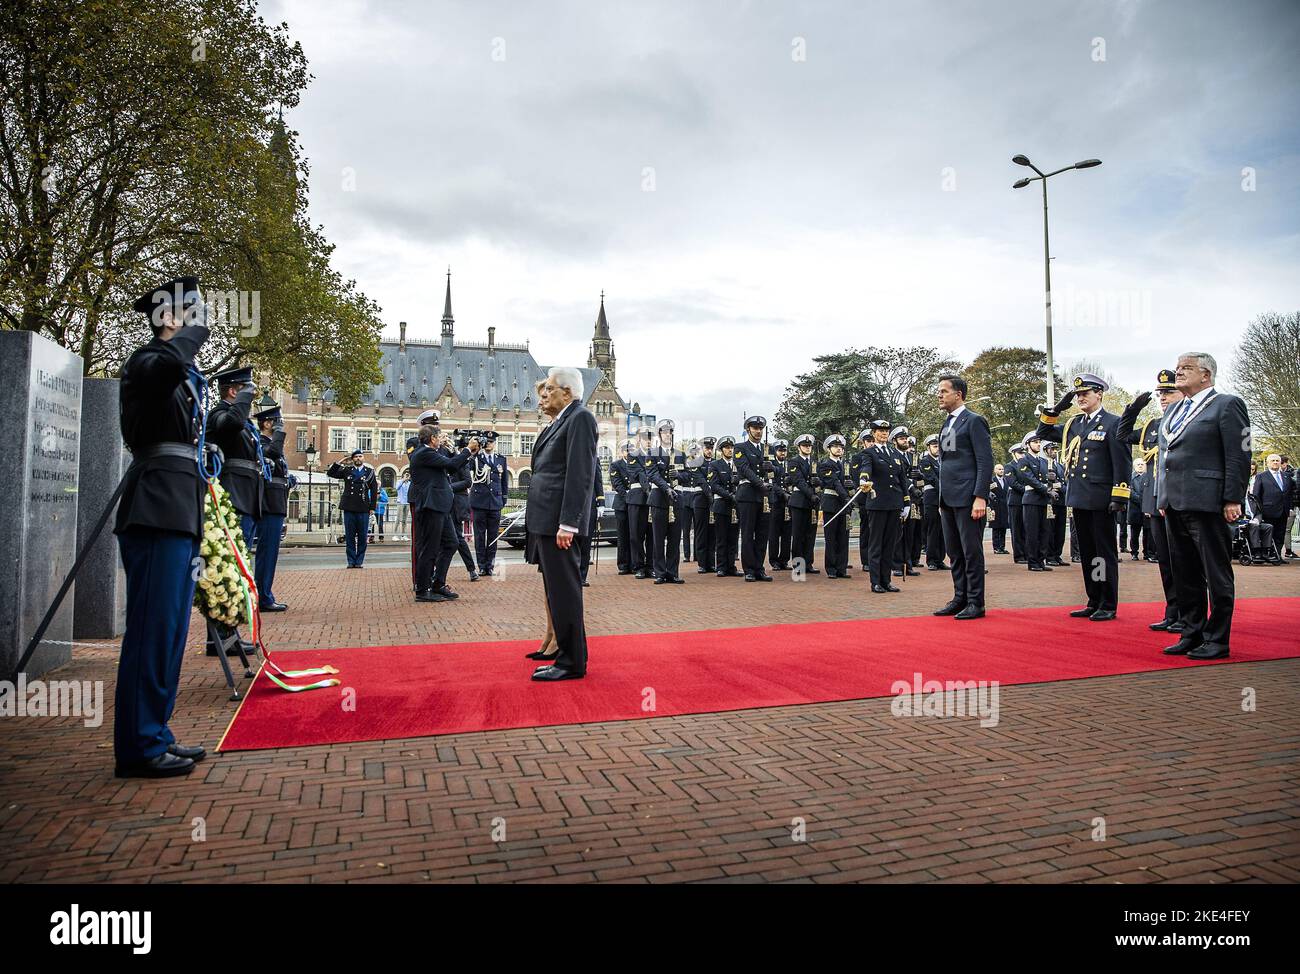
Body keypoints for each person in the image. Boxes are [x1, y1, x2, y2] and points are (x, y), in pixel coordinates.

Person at [113, 276, 211, 778]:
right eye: (187, 314)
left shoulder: (178, 373)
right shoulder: (147, 360)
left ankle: (157, 731)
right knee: (151, 632)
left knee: (170, 631)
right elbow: (170, 365)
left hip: (177, 508)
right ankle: (139, 746)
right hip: (154, 509)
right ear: (166, 318)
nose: (197, 324)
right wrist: (192, 330)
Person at [1157, 352, 1252, 660]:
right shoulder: (1175, 410)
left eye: (1186, 368)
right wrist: (1162, 498)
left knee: (1216, 573)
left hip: (1209, 501)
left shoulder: (1226, 405)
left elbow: (1239, 455)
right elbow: (1165, 458)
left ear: (1206, 375)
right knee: (1185, 572)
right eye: (1178, 368)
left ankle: (1217, 638)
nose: (1179, 373)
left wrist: (1233, 498)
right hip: (1175, 502)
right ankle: (1191, 631)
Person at [1037, 373, 1131, 622]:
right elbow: (1044, 431)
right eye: (1077, 395)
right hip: (1079, 496)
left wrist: (1120, 495)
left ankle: (1108, 602)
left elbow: (1122, 463)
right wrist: (1056, 409)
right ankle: (1093, 599)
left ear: (1099, 394)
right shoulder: (1074, 425)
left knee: (1103, 553)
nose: (1080, 398)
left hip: (1102, 498)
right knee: (1088, 552)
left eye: (1085, 394)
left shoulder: (1114, 423)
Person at [526, 367, 598, 682]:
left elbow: (580, 474)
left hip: (559, 522)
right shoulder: (562, 420)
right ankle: (565, 655)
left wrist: (569, 523)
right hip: (545, 519)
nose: (545, 394)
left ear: (566, 392)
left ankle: (571, 662)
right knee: (556, 591)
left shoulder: (580, 418)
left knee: (565, 592)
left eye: (551, 388)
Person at [1117, 369, 1185, 632]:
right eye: (1160, 394)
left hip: (1177, 500)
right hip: (1154, 501)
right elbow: (1122, 435)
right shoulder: (1153, 425)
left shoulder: (1189, 421)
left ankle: (1188, 615)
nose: (1163, 398)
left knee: (1184, 561)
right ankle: (1172, 612)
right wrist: (1133, 409)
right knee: (1166, 562)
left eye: (1169, 392)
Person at [933, 373, 993, 620]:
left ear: (958, 394)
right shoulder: (947, 423)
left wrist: (980, 496)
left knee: (971, 552)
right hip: (947, 499)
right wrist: (940, 498)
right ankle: (960, 597)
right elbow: (947, 463)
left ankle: (975, 602)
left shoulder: (974, 421)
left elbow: (984, 460)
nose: (939, 395)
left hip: (968, 498)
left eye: (943, 391)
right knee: (955, 552)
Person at [410, 425, 475, 602]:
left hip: (441, 506)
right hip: (431, 507)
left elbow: (453, 467)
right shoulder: (423, 453)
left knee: (451, 543)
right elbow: (452, 464)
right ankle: (423, 590)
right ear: (432, 438)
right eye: (439, 437)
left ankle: (438, 583)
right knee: (429, 548)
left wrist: (459, 450)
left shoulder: (432, 453)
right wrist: (468, 449)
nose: (441, 440)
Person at [206, 366, 266, 550]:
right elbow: (232, 423)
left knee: (243, 553)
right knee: (234, 552)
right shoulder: (219, 414)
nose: (251, 399)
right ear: (233, 391)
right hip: (234, 497)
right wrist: (245, 397)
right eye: (246, 392)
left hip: (248, 497)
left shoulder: (245, 423)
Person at [859, 419, 906, 593]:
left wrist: (906, 502)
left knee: (889, 544)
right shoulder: (869, 453)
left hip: (894, 503)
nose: (884, 433)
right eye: (880, 430)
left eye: (886, 430)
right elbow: (866, 469)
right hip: (877, 503)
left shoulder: (895, 453)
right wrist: (864, 479)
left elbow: (902, 479)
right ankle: (876, 581)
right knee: (876, 544)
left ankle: (887, 580)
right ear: (874, 433)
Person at [253, 402, 289, 612]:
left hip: (275, 503)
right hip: (268, 504)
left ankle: (265, 593)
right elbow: (273, 452)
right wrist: (279, 433)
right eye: (277, 423)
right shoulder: (260, 442)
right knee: (266, 554)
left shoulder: (268, 442)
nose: (280, 427)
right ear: (267, 423)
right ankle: (263, 597)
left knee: (270, 553)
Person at [646, 418, 686, 584]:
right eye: (664, 431)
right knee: (658, 539)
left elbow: (688, 475)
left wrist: (679, 476)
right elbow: (652, 474)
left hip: (676, 500)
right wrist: (666, 488)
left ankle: (672, 572)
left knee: (675, 539)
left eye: (670, 431)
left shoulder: (680, 454)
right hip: (660, 500)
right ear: (659, 434)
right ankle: (660, 572)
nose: (667, 434)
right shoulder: (653, 453)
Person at [734, 416, 774, 581]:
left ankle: (759, 568)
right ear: (748, 430)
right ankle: (749, 569)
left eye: (760, 429)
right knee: (748, 533)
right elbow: (744, 468)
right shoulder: (740, 447)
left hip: (763, 496)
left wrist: (771, 469)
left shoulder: (767, 450)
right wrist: (760, 483)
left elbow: (776, 470)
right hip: (748, 494)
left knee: (763, 534)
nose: (758, 431)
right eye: (755, 428)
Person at [327, 449, 379, 568]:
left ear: (363, 458)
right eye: (355, 457)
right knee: (350, 536)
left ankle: (359, 561)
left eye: (360, 456)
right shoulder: (347, 470)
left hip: (363, 507)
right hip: (349, 507)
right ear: (353, 459)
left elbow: (374, 490)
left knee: (362, 536)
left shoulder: (369, 472)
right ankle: (351, 561)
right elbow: (331, 473)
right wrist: (341, 461)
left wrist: (372, 507)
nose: (358, 458)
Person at [1015, 431, 1054, 572]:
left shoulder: (1043, 461)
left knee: (1044, 531)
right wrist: (1046, 489)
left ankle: (1041, 560)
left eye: (1039, 442)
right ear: (1028, 445)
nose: (1038, 444)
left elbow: (1047, 479)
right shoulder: (1023, 461)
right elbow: (1029, 478)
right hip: (1031, 499)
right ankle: (1032, 561)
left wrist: (1051, 484)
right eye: (1035, 442)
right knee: (1032, 532)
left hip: (1043, 500)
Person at [470, 430, 507, 576]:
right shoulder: (475, 458)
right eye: (487, 441)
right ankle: (481, 565)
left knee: (493, 536)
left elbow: (504, 482)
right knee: (479, 536)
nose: (489, 444)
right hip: (479, 503)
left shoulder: (501, 459)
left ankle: (490, 564)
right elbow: (467, 470)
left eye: (491, 442)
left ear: (495, 443)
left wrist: (503, 500)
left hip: (495, 503)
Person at [818, 434, 853, 579]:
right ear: (829, 449)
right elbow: (834, 482)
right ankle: (831, 568)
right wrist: (845, 496)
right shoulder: (826, 464)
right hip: (832, 503)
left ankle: (841, 568)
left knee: (843, 537)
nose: (839, 449)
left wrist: (852, 489)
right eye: (835, 447)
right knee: (831, 538)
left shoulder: (846, 465)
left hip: (845, 504)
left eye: (841, 447)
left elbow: (850, 481)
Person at [788, 434, 820, 574]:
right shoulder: (794, 462)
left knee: (810, 534)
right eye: (805, 446)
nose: (807, 448)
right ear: (799, 447)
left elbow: (820, 479)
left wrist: (818, 487)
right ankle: (798, 566)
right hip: (800, 501)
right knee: (798, 534)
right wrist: (811, 494)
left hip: (812, 502)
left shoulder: (814, 462)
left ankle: (808, 563)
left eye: (809, 446)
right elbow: (799, 481)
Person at [1250, 454, 1292, 563]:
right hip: (1268, 511)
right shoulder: (1261, 476)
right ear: (1268, 463)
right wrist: (1257, 512)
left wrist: (1290, 507)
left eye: (1277, 460)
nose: (1275, 462)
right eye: (1273, 460)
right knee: (1270, 534)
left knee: (1280, 534)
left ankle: (1278, 555)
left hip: (1283, 511)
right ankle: (1268, 555)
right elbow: (1256, 495)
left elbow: (1289, 494)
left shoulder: (1286, 476)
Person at [709, 436, 741, 576]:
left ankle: (731, 566)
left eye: (731, 447)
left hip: (735, 506)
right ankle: (721, 566)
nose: (730, 450)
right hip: (722, 505)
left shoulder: (738, 464)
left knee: (733, 538)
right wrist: (729, 496)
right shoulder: (715, 465)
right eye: (727, 448)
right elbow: (714, 485)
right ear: (722, 450)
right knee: (721, 538)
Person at [627, 426, 654, 578]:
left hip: (652, 500)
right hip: (638, 498)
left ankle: (650, 566)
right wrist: (649, 489)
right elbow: (639, 474)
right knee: (636, 535)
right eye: (645, 438)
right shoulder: (633, 455)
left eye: (650, 438)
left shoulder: (656, 456)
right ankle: (638, 566)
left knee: (652, 535)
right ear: (638, 439)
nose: (648, 441)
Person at [448, 460, 480, 580]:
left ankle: (471, 569)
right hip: (441, 503)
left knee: (458, 538)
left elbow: (468, 482)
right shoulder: (439, 456)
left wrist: (448, 487)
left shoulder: (460, 461)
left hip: (455, 505)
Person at [919, 434, 947, 569]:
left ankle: (940, 559)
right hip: (932, 498)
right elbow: (931, 478)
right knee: (933, 529)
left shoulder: (943, 461)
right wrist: (947, 488)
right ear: (928, 447)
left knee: (943, 531)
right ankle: (931, 560)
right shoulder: (925, 461)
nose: (937, 449)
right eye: (935, 446)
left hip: (944, 499)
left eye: (939, 446)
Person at [689, 438, 716, 574]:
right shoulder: (696, 463)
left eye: (711, 448)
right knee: (701, 533)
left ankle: (711, 563)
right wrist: (711, 494)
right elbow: (702, 482)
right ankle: (702, 563)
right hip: (701, 501)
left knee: (712, 533)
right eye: (707, 448)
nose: (709, 451)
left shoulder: (716, 463)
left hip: (713, 501)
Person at [578, 466, 604, 585]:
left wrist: (601, 502)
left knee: (586, 542)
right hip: (573, 503)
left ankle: (582, 576)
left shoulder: (593, 457)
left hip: (590, 504)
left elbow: (598, 481)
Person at [1006, 441, 1027, 563]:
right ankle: (1019, 556)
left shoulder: (1025, 465)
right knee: (1017, 529)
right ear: (1013, 454)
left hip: (1026, 501)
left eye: (1023, 453)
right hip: (1016, 501)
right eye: (1020, 453)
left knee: (1026, 529)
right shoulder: (1010, 466)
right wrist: (1027, 490)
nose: (1022, 455)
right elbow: (1013, 483)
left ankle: (1027, 553)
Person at [1127, 459, 1150, 561]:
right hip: (1135, 509)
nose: (1140, 466)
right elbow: (1130, 492)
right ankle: (1134, 552)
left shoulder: (1149, 477)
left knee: (1147, 533)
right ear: (1134, 466)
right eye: (1138, 464)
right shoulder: (1130, 478)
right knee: (1134, 533)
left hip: (1146, 509)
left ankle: (1147, 552)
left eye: (1142, 464)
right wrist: (1143, 500)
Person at [988, 462, 1010, 554]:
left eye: (1002, 469)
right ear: (995, 470)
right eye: (999, 469)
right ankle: (996, 547)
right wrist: (991, 508)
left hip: (1005, 507)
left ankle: (1002, 547)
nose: (1001, 471)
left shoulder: (1006, 481)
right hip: (995, 507)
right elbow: (989, 495)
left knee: (1003, 528)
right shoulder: (992, 481)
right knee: (996, 528)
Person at [395, 469, 411, 541]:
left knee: (405, 520)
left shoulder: (409, 483)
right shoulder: (399, 481)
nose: (407, 476)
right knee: (398, 519)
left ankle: (403, 535)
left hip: (407, 503)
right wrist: (403, 480)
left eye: (408, 475)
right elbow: (397, 488)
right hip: (400, 502)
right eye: (406, 475)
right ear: (403, 475)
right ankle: (394, 535)